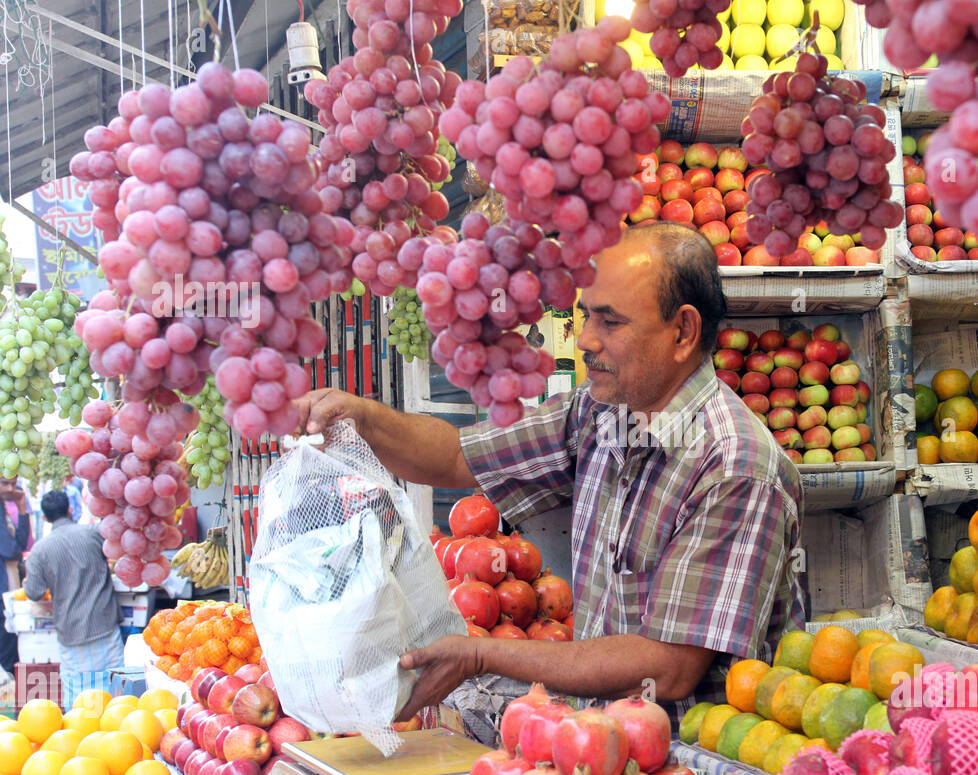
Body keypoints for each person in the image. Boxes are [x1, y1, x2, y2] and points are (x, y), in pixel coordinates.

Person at [297, 222, 806, 742]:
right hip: (597, 757)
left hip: (697, 774)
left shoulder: (734, 467)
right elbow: (458, 456)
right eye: (588, 315)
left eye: (610, 322)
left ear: (683, 332)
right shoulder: (603, 412)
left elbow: (668, 666)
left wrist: (479, 653)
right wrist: (360, 418)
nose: (585, 340)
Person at [22, 490, 123, 709]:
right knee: (115, 695)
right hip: (103, 624)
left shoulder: (39, 551)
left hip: (71, 633)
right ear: (70, 509)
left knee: (80, 702)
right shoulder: (93, 533)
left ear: (46, 517)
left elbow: (33, 593)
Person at [0, 477, 31, 678]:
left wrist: (22, 509)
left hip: (7, 579)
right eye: (5, 483)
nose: (11, 488)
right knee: (6, 633)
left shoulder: (4, 508)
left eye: (14, 483)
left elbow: (20, 543)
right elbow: (12, 550)